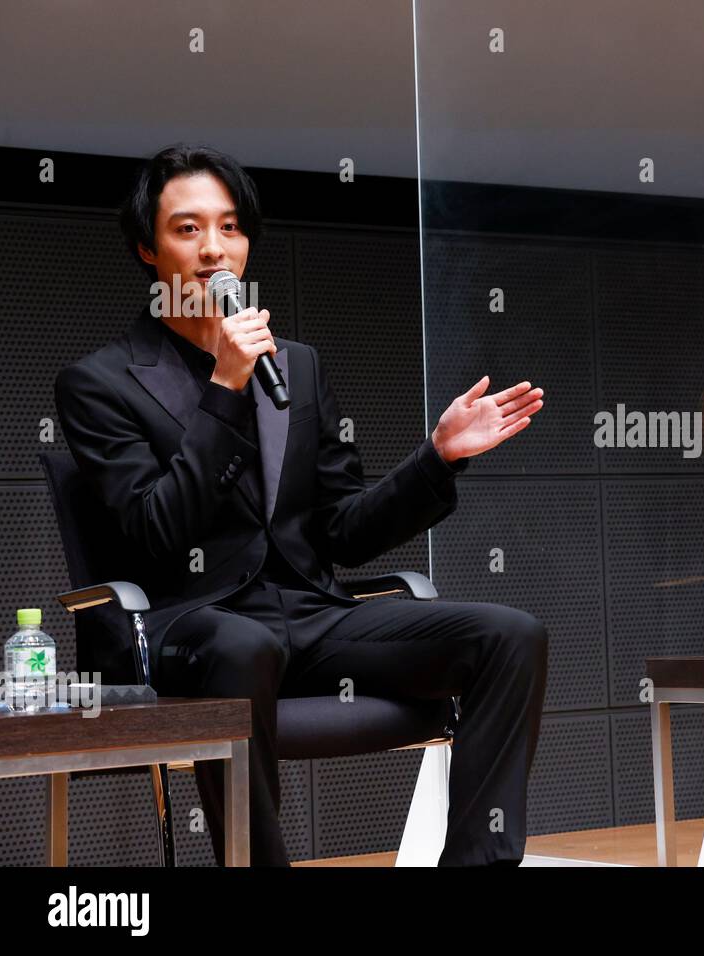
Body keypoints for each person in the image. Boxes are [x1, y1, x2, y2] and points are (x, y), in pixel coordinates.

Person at [54, 144, 548, 866]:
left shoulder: (297, 365)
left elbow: (343, 531)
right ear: (146, 249)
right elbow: (158, 530)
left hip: (311, 620)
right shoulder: (98, 383)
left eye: (230, 228)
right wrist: (225, 387)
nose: (213, 249)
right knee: (242, 644)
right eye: (187, 230)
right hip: (189, 630)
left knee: (511, 634)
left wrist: (438, 458)